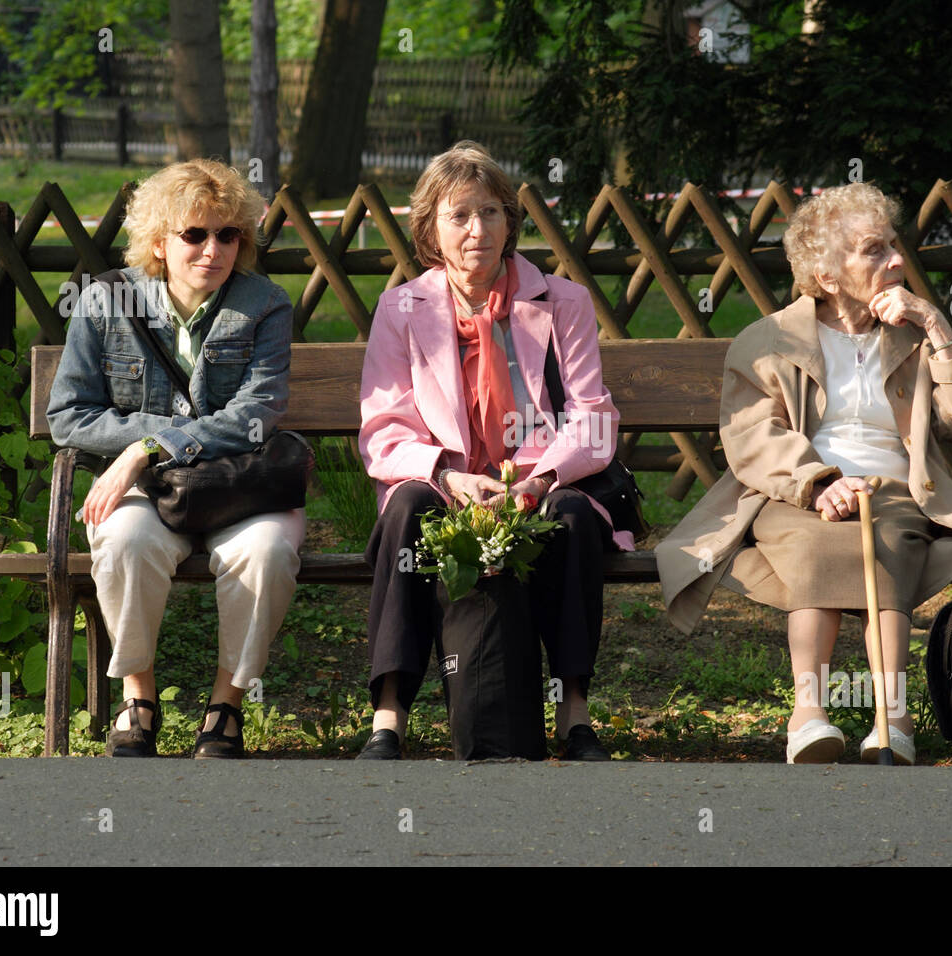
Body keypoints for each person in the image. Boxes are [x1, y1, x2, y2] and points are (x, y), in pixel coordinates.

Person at [656, 182, 952, 765]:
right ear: (829, 274)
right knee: (816, 549)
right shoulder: (768, 341)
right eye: (873, 250)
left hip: (895, 492)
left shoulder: (916, 336)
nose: (895, 259)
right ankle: (808, 714)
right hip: (796, 493)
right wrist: (819, 482)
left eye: (894, 244)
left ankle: (891, 715)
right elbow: (751, 436)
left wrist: (939, 330)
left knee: (886, 542)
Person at [358, 141, 630, 760]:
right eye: (458, 216)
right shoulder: (401, 308)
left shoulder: (563, 302)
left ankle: (574, 716)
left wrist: (540, 481)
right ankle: (388, 719)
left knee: (572, 518)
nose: (476, 230)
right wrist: (449, 478)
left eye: (490, 213)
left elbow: (592, 416)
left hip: (540, 484)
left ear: (511, 221)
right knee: (406, 512)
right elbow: (384, 428)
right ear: (431, 229)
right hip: (445, 485)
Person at [46, 158, 303, 758]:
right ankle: (140, 697)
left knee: (267, 551)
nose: (212, 249)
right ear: (160, 241)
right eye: (194, 234)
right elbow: (68, 415)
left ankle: (226, 704)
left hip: (238, 486)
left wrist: (145, 447)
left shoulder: (265, 305)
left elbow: (257, 412)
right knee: (125, 542)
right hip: (146, 494)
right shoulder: (104, 301)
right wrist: (146, 450)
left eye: (227, 234)